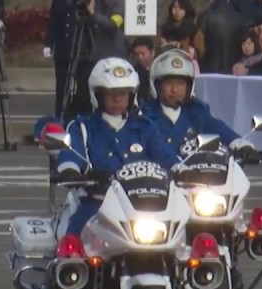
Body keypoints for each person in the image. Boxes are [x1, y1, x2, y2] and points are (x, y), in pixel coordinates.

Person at [55, 57, 179, 237]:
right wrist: (70, 170)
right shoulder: (82, 127)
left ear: (131, 95)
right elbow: (72, 152)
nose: (117, 98)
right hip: (97, 204)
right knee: (72, 241)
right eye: (110, 93)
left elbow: (164, 153)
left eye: (123, 93)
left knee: (184, 233)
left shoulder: (145, 127)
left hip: (145, 205)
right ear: (98, 95)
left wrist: (181, 169)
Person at [141, 48, 261, 160]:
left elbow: (221, 130)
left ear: (189, 87)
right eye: (168, 83)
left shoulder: (197, 112)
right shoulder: (144, 115)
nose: (175, 90)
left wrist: (242, 145)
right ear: (157, 86)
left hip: (194, 172)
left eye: (180, 83)